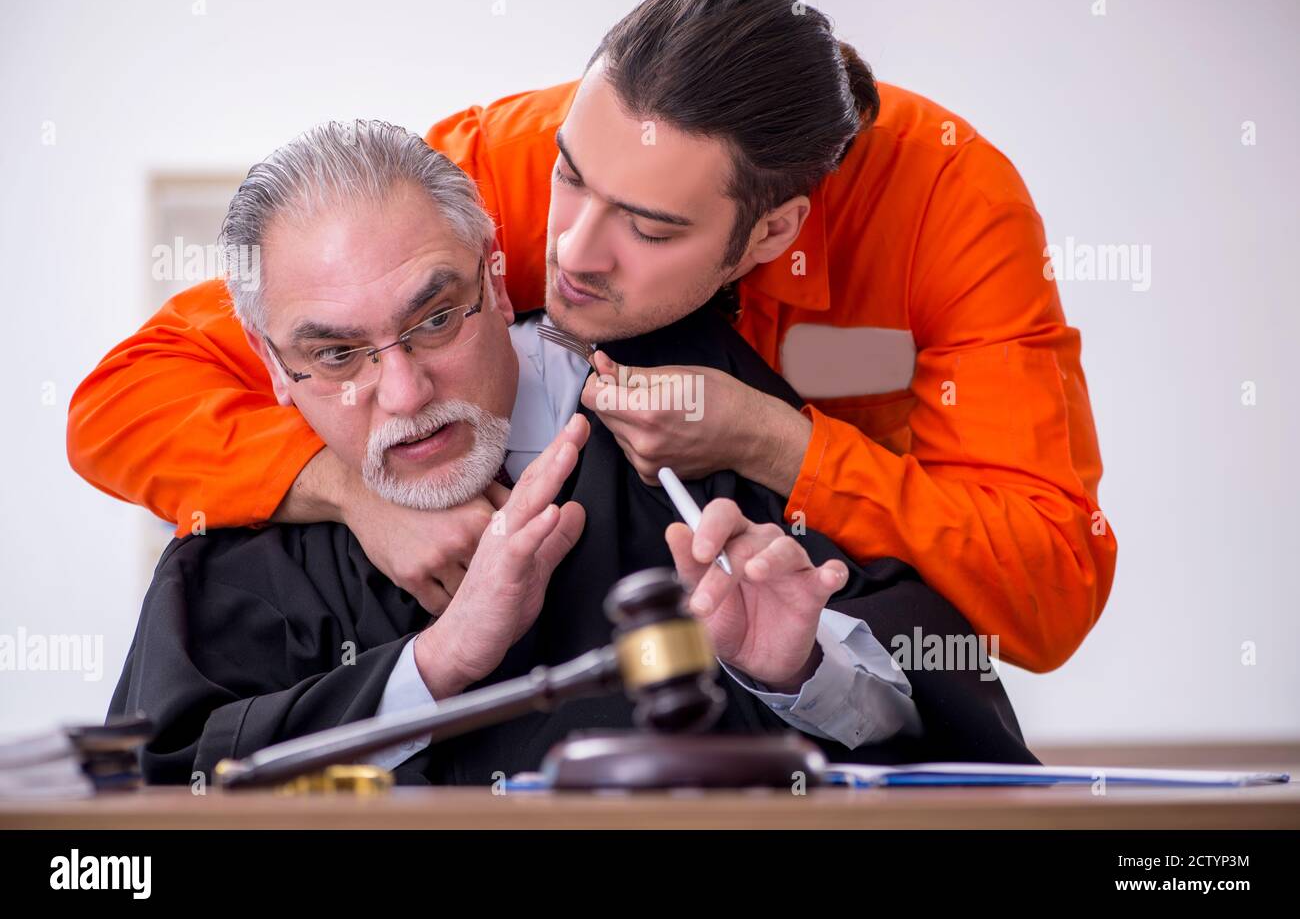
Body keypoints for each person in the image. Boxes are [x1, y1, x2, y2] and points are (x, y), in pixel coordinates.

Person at [70, 0, 1115, 673]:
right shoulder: (507, 166)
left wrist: (772, 439)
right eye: (573, 178)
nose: (569, 249)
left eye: (649, 227)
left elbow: (1048, 589)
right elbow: (122, 397)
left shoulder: (949, 209)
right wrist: (351, 494)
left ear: (772, 231)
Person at [109, 121, 1034, 784]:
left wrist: (800, 673)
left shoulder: (696, 426)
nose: (403, 393)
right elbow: (138, 819)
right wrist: (433, 668)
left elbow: (956, 747)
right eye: (335, 354)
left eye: (437, 318)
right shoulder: (236, 554)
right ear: (272, 368)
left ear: (498, 282)